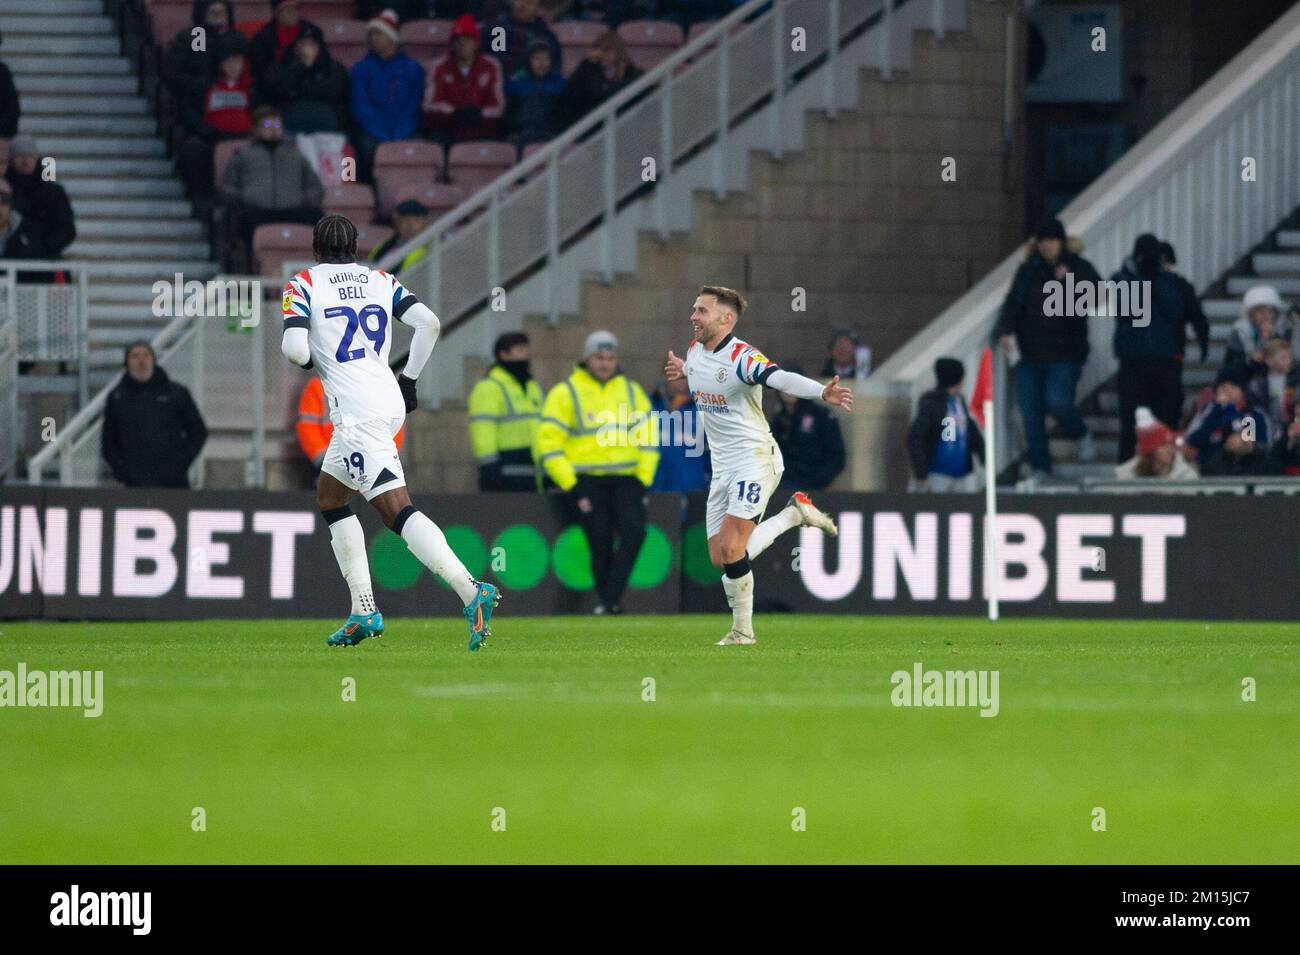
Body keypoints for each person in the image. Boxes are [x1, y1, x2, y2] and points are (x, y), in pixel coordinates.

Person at [280, 214, 500, 650]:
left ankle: (471, 590)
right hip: (385, 400)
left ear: (316, 248)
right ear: (357, 247)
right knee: (331, 498)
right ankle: (363, 609)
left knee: (394, 510)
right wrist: (410, 379)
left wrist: (313, 361)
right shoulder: (381, 279)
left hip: (358, 412)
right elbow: (429, 323)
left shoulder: (303, 282)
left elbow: (294, 349)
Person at [663, 286, 852, 645]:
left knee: (733, 550)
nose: (693, 316)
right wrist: (684, 369)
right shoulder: (695, 351)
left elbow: (778, 377)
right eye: (694, 309)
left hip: (754, 460)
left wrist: (820, 391)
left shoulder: (743, 356)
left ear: (726, 318)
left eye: (701, 311)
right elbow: (703, 371)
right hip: (723, 468)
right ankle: (793, 516)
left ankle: (742, 631)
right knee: (721, 559)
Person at [536, 331, 657, 614]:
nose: (605, 363)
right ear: (586, 358)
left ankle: (609, 599)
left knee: (635, 533)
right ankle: (610, 602)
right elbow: (549, 444)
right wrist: (571, 483)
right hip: (586, 480)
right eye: (599, 357)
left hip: (627, 478)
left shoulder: (631, 391)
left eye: (610, 358)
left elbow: (649, 437)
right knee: (599, 539)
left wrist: (643, 478)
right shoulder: (565, 393)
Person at [994, 216, 1100, 478]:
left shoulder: (1079, 267)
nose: (1046, 246)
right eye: (1042, 241)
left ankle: (1080, 433)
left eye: (1051, 240)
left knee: (1058, 403)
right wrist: (1003, 330)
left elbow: (1098, 296)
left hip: (1065, 352)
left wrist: (1071, 281)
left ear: (1061, 242)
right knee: (1030, 412)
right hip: (1029, 353)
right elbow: (1013, 302)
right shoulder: (1028, 270)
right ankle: (1041, 465)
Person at [1110, 233, 1189, 461]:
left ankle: (1167, 466)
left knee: (1166, 418)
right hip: (1132, 362)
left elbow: (1175, 311)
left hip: (1163, 361)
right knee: (1130, 423)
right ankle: (1126, 467)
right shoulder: (1121, 279)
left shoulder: (1168, 280)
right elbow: (1129, 312)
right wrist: (1144, 281)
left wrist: (1159, 278)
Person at [102, 341, 208, 488]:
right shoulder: (117, 397)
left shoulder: (177, 393)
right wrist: (121, 470)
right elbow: (108, 442)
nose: (141, 360)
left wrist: (181, 464)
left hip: (173, 483)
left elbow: (198, 431)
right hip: (134, 483)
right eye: (135, 356)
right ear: (127, 363)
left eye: (146, 355)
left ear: (153, 360)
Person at [220, 104, 323, 253]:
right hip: (257, 211)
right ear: (255, 129)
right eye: (268, 125)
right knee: (245, 222)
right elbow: (226, 186)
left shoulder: (296, 155)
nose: (274, 129)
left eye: (277, 125)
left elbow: (315, 187)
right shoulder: (243, 155)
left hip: (293, 209)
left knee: (319, 220)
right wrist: (242, 197)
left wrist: (305, 199)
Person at [176, 32, 256, 202]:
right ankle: (201, 198)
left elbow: (261, 115)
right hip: (213, 137)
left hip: (246, 138)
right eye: (228, 61)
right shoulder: (205, 86)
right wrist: (209, 131)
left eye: (238, 60)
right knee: (193, 147)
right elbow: (191, 113)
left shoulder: (252, 88)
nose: (233, 66)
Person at [349, 9, 426, 183]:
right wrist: (384, 136)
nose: (373, 38)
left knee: (418, 149)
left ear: (392, 37)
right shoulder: (360, 69)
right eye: (371, 34)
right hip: (374, 132)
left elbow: (413, 107)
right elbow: (362, 108)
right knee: (367, 148)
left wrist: (398, 134)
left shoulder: (413, 69)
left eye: (378, 33)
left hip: (405, 129)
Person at [468, 331, 544, 491]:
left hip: (533, 470)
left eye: (526, 350)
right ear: (503, 354)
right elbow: (483, 429)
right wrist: (489, 464)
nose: (525, 355)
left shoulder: (532, 387)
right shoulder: (489, 387)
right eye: (519, 350)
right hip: (503, 470)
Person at [422, 14, 505, 145]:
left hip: (481, 127)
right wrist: (455, 112)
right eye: (458, 40)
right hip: (448, 129)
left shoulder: (491, 66)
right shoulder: (438, 67)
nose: (462, 44)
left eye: (467, 39)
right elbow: (429, 105)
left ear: (476, 43)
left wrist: (479, 114)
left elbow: (498, 106)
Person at [906, 357, 984, 492]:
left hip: (963, 476)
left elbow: (972, 433)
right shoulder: (932, 403)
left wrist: (985, 456)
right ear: (959, 379)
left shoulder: (960, 401)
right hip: (937, 475)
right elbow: (916, 438)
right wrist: (921, 473)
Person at [298, 375, 405, 471]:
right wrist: (325, 461)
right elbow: (308, 428)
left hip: (372, 467)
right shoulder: (318, 385)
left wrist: (382, 459)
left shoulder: (382, 387)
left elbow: (393, 428)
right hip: (333, 466)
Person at [1185, 363, 1274, 476]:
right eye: (1222, 387)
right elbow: (1193, 440)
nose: (1227, 391)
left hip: (1250, 472)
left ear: (1242, 390)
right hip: (1212, 473)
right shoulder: (1210, 411)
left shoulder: (1254, 414)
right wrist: (1218, 411)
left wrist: (1248, 446)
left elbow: (1266, 445)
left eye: (1233, 386)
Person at [772, 362, 846, 493]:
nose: (789, 391)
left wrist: (815, 483)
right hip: (780, 488)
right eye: (785, 386)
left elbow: (836, 457)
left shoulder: (822, 416)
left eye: (794, 385)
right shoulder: (778, 418)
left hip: (812, 488)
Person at [264, 29, 350, 134]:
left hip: (326, 122)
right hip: (291, 121)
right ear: (295, 46)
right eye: (303, 44)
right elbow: (280, 92)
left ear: (320, 47)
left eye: (312, 44)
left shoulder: (334, 68)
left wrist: (310, 68)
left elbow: (333, 93)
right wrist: (300, 67)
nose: (306, 49)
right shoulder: (281, 67)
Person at [4, 135, 76, 259]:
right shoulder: (4, 191)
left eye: (30, 156)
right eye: (20, 156)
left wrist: (44, 248)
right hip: (10, 260)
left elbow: (67, 229)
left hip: (47, 262)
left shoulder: (53, 192)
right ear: (11, 160)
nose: (26, 161)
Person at [558, 31, 641, 126]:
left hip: (624, 128)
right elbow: (568, 99)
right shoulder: (588, 73)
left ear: (618, 51)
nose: (602, 55)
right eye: (599, 50)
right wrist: (586, 64)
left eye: (607, 51)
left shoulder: (632, 74)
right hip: (592, 131)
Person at [650, 375, 710, 493]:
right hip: (656, 485)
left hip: (693, 486)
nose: (681, 380)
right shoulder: (650, 404)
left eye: (685, 375)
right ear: (665, 376)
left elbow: (713, 450)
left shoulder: (703, 407)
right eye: (675, 375)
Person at [248, 0, 323, 93]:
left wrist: (311, 62)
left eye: (296, 8)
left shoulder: (313, 32)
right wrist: (298, 63)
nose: (294, 13)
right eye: (288, 10)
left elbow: (323, 65)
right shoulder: (262, 38)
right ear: (276, 13)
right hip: (273, 94)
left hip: (307, 92)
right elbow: (262, 75)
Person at [505, 39, 565, 149]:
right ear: (528, 60)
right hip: (521, 136)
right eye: (537, 58)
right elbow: (509, 115)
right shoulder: (514, 82)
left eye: (546, 59)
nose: (542, 63)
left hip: (551, 136)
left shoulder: (560, 83)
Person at [1159, 241, 1209, 366]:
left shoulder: (1142, 285)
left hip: (1165, 351)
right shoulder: (1181, 286)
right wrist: (1203, 344)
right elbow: (1198, 318)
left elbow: (1197, 317)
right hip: (1173, 349)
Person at [1114, 407, 1197, 480]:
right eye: (1163, 445)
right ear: (1150, 451)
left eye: (1170, 443)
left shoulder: (1186, 475)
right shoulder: (1126, 475)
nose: (1170, 449)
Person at [488, 0, 562, 81]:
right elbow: (495, 61)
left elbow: (554, 68)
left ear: (538, 6)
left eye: (528, 2)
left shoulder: (545, 35)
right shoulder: (499, 29)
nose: (521, 6)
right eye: (519, 1)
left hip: (536, 88)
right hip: (504, 85)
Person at [1225, 285, 1294, 372]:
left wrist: (1274, 338)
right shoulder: (1240, 331)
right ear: (1251, 314)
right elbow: (1231, 361)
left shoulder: (1284, 330)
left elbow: (1290, 358)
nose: (1266, 317)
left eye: (1270, 312)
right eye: (1261, 312)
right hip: (1248, 373)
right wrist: (1251, 359)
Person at [1248, 337, 1300, 441]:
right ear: (1269, 361)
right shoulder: (1256, 385)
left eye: (1289, 357)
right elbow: (1252, 414)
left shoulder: (1296, 383)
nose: (1288, 361)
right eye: (1283, 358)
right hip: (1266, 432)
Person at [369, 199, 430, 273]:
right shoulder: (385, 245)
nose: (410, 226)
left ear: (425, 222)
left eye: (416, 220)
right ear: (397, 222)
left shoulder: (433, 246)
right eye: (405, 220)